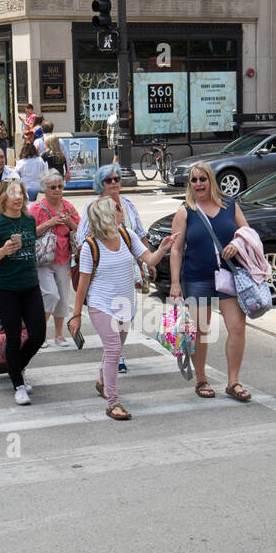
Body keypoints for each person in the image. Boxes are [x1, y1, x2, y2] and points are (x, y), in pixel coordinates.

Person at [70, 197, 176, 420]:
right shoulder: (91, 246)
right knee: (113, 348)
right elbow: (83, 285)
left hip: (126, 304)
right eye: (118, 208)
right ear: (107, 216)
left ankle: (102, 381)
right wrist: (77, 315)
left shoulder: (127, 235)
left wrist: (163, 248)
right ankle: (113, 403)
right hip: (101, 305)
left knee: (114, 349)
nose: (122, 211)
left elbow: (150, 260)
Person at [166, 161, 252, 401]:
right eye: (193, 180)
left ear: (211, 181)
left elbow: (247, 234)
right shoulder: (186, 211)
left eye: (202, 179)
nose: (198, 184)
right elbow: (176, 250)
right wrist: (175, 283)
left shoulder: (229, 205)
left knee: (237, 327)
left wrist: (236, 244)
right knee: (201, 331)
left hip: (229, 275)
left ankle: (233, 382)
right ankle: (201, 378)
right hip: (197, 277)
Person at [78, 162, 148, 373]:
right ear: (101, 184)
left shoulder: (128, 204)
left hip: (128, 266)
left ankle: (114, 353)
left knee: (125, 312)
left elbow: (141, 233)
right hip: (104, 269)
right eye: (109, 180)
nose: (114, 183)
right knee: (112, 313)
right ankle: (115, 355)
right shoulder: (94, 207)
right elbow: (82, 238)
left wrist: (147, 261)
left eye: (117, 179)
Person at [0, 178, 45, 405]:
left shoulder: (28, 220)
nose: (18, 197)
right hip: (6, 288)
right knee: (14, 336)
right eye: (13, 193)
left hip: (30, 285)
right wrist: (3, 250)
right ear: (3, 198)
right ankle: (18, 383)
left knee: (38, 335)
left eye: (21, 193)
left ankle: (15, 366)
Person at [31, 169, 81, 346]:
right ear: (45, 189)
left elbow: (80, 229)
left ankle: (58, 335)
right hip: (43, 259)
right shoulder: (37, 208)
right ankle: (40, 333)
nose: (57, 190)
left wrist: (68, 222)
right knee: (51, 294)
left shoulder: (68, 206)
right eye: (53, 187)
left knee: (63, 296)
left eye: (60, 186)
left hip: (63, 257)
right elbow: (29, 232)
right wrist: (49, 223)